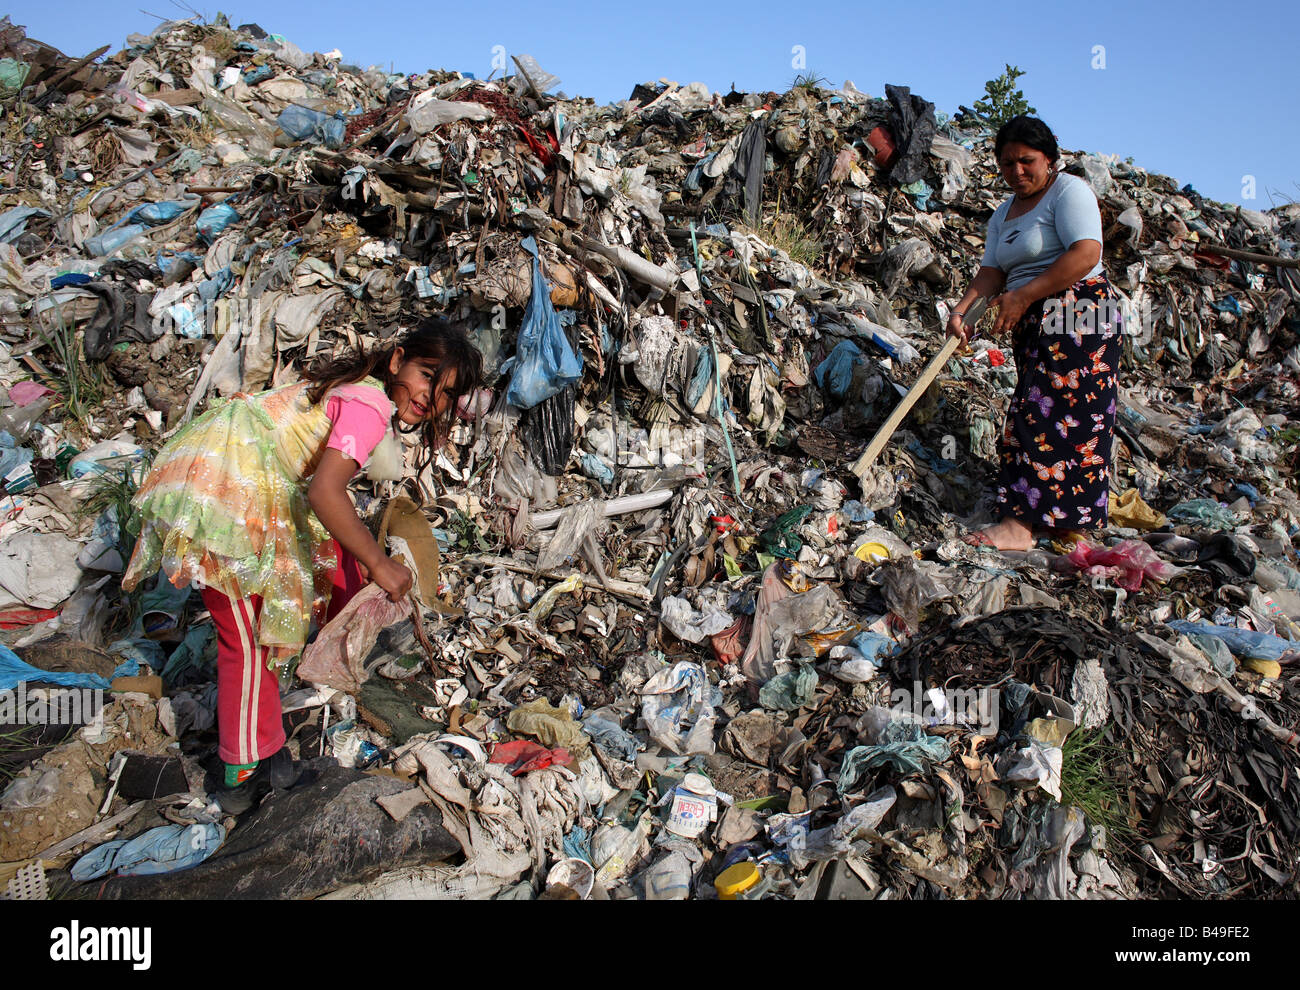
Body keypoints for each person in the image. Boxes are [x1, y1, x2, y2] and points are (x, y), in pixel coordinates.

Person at [122, 319, 482, 811]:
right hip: (232, 492)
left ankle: (265, 753)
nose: (429, 396)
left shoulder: (356, 389)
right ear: (397, 360)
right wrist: (380, 564)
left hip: (235, 480)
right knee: (246, 643)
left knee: (263, 632)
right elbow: (324, 493)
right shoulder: (371, 405)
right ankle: (241, 776)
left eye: (444, 393)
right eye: (426, 375)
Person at [947, 115, 1122, 551]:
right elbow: (992, 270)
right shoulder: (1004, 214)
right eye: (1007, 164)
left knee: (1056, 417)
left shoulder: (1069, 191)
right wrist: (962, 310)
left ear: (1049, 159)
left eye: (1027, 161)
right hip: (1033, 315)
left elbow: (1086, 254)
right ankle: (1052, 519)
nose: (1017, 172)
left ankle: (1021, 526)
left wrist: (1024, 296)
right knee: (1043, 411)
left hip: (1078, 313)